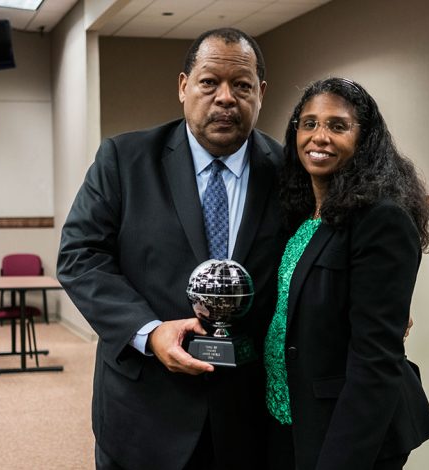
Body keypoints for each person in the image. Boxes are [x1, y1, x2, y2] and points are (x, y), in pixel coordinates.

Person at [57, 28, 284, 469]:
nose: (225, 98)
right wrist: (149, 330)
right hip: (144, 409)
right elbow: (80, 256)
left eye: (241, 86)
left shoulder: (288, 173)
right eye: (208, 82)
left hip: (249, 414)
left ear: (261, 93)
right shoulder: (124, 160)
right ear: (183, 86)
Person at [264, 77, 429, 469]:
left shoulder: (381, 220)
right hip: (291, 411)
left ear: (365, 139)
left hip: (347, 428)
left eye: (337, 126)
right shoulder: (303, 213)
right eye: (308, 124)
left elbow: (375, 361)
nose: (319, 136)